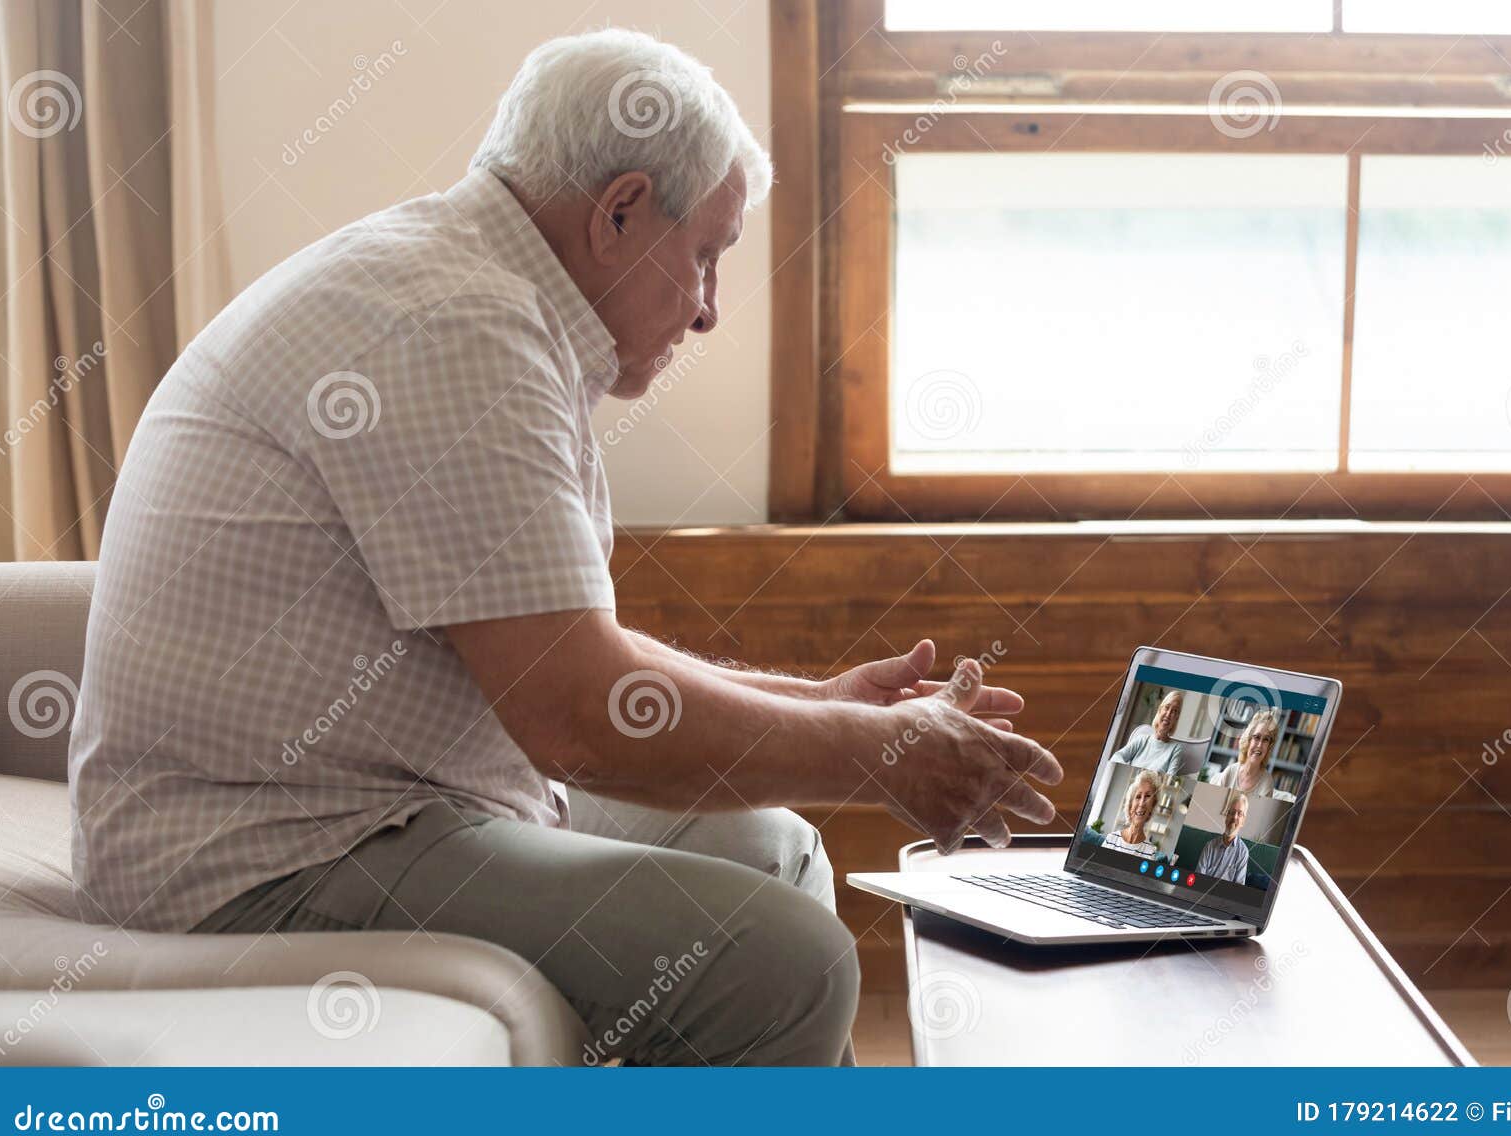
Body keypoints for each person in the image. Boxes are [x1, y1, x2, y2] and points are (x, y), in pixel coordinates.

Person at [66, 29, 1063, 1067]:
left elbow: (579, 655)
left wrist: (827, 705)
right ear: (620, 208)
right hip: (262, 854)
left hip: (377, 794)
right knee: (784, 961)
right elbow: (580, 718)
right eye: (707, 253)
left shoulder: (476, 292)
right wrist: (885, 756)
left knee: (772, 847)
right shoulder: (457, 329)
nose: (710, 307)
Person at [1110, 690, 1189, 778]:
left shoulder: (1176, 749)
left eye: (1174, 711)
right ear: (1160, 710)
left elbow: (1170, 778)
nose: (1169, 714)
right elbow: (1116, 756)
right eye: (1167, 707)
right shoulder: (1142, 739)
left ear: (1176, 718)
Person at [1210, 707, 1281, 799]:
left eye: (1266, 740)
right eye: (1256, 737)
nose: (1259, 745)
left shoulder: (1267, 782)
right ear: (1248, 740)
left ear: (1269, 747)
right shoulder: (1230, 771)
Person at [1102, 769, 1163, 859]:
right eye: (1138, 797)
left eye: (1148, 796)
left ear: (1152, 806)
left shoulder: (1150, 852)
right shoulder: (1111, 839)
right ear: (1130, 806)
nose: (1142, 803)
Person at [1194, 792, 1252, 885]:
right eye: (1232, 812)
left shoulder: (1243, 852)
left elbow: (1238, 888)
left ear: (1243, 822)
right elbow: (1198, 877)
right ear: (1226, 817)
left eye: (1239, 814)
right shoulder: (1210, 846)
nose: (1234, 817)